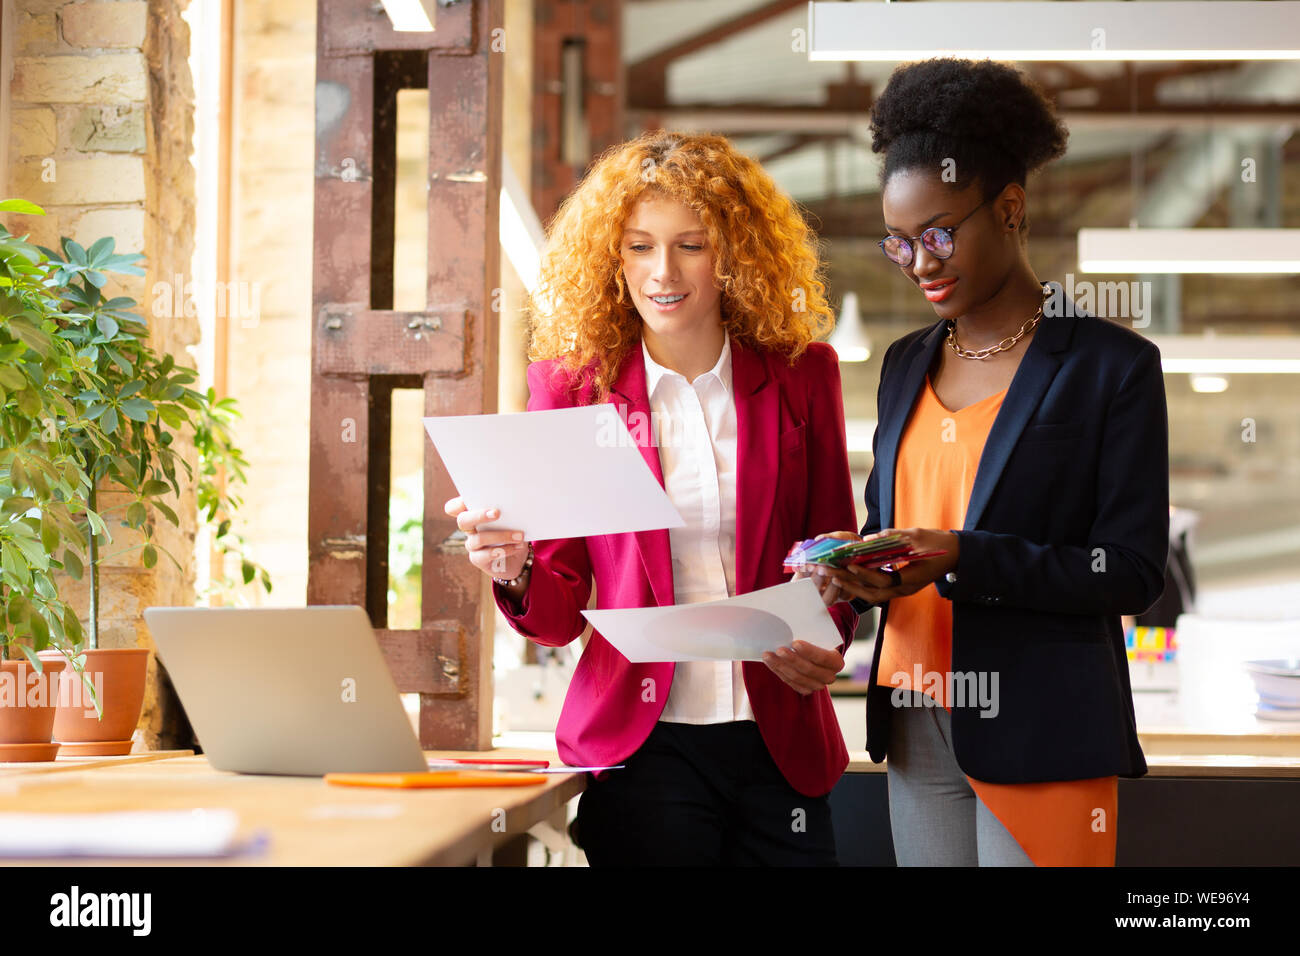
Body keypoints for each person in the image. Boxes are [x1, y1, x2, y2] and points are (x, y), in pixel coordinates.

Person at [444, 130, 860, 865]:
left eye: (691, 245)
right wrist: (515, 568)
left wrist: (826, 634)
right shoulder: (571, 390)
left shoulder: (804, 376)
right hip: (643, 748)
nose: (662, 272)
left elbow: (833, 553)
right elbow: (560, 613)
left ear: (731, 252)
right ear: (614, 257)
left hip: (779, 742)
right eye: (639, 246)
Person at [811, 58, 1170, 866]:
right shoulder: (904, 362)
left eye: (938, 233)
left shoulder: (1110, 366)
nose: (920, 262)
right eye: (898, 242)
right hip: (913, 712)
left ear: (1010, 209)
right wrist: (862, 570)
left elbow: (1132, 572)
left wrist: (968, 558)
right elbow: (891, 527)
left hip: (1043, 725)